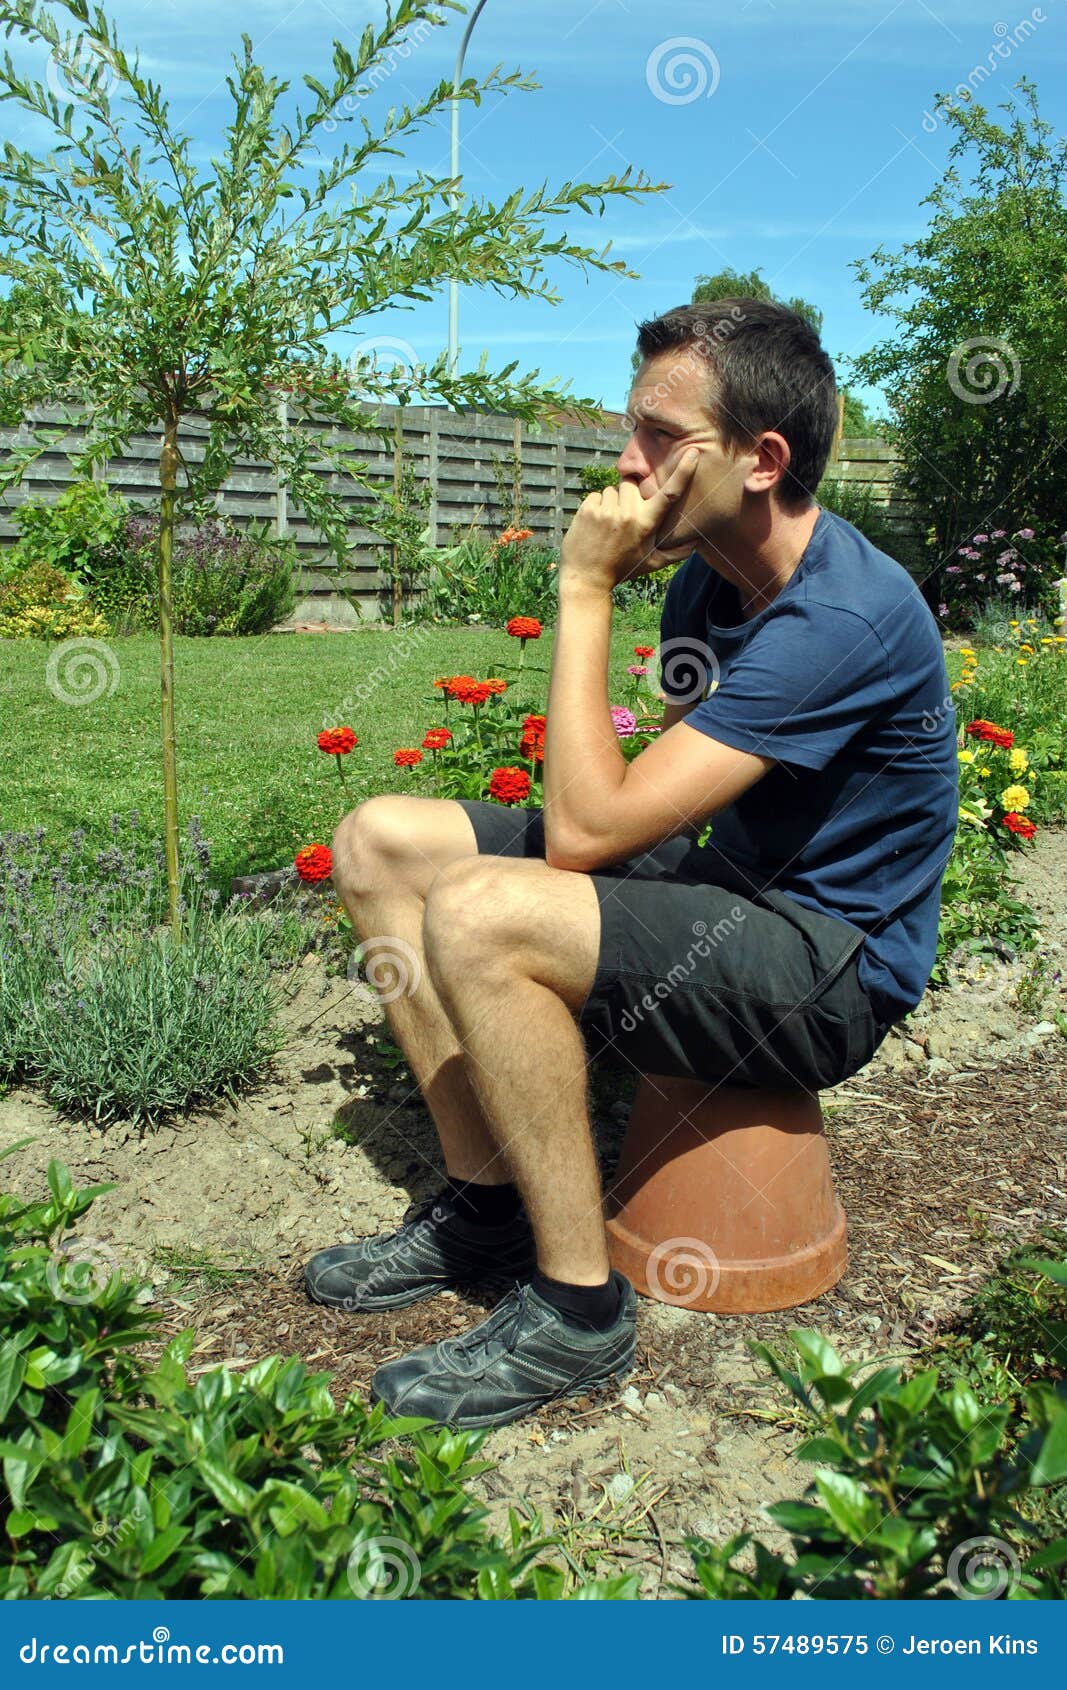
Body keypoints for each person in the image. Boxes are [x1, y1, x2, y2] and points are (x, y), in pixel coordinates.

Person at [304, 297, 959, 1430]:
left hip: (829, 967)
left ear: (761, 460)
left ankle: (577, 1310)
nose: (626, 460)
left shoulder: (842, 618)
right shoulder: (712, 578)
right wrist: (599, 902)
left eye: (661, 434)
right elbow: (647, 803)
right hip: (725, 894)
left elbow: (583, 833)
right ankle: (482, 1209)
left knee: (481, 913)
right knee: (380, 843)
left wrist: (583, 587)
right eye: (631, 426)